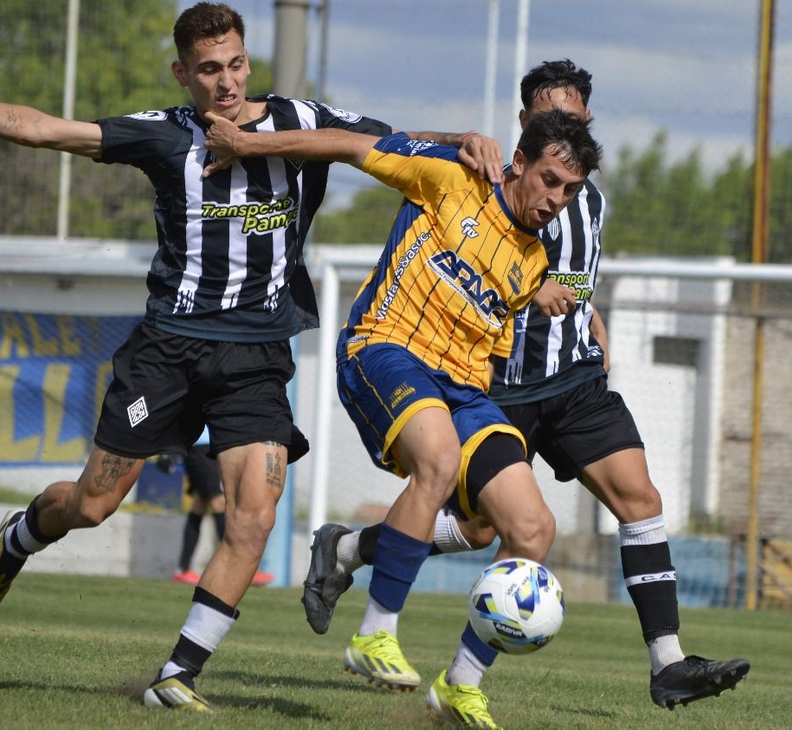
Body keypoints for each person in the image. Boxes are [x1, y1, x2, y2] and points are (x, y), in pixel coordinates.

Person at [0, 2, 500, 713]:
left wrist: (467, 140)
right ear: (184, 73)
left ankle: (174, 676)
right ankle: (23, 533)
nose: (227, 82)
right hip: (169, 354)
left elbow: (391, 141)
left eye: (236, 64)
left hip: (257, 358)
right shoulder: (164, 136)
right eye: (209, 69)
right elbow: (42, 129)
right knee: (92, 504)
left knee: (255, 512)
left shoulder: (299, 121)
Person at [298, 59, 750, 716]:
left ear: (587, 123)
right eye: (546, 120)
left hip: (574, 382)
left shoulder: (588, 195)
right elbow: (496, 259)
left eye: (569, 118)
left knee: (638, 496)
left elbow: (566, 278)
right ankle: (351, 549)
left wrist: (588, 312)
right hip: (502, 381)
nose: (559, 136)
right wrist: (457, 140)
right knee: (481, 530)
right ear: (524, 130)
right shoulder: (492, 179)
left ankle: (668, 661)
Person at [203, 105, 601, 728]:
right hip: (384, 347)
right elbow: (345, 143)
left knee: (532, 530)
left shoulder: (531, 263)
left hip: (463, 389)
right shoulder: (450, 177)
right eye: (550, 180)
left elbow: (489, 357)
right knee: (438, 460)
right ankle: (375, 634)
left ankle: (460, 685)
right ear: (520, 162)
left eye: (570, 191)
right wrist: (246, 145)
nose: (557, 198)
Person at [171, 427, 274, 587]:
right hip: (200, 447)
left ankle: (182, 569)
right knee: (218, 502)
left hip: (210, 446)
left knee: (200, 505)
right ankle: (239, 566)